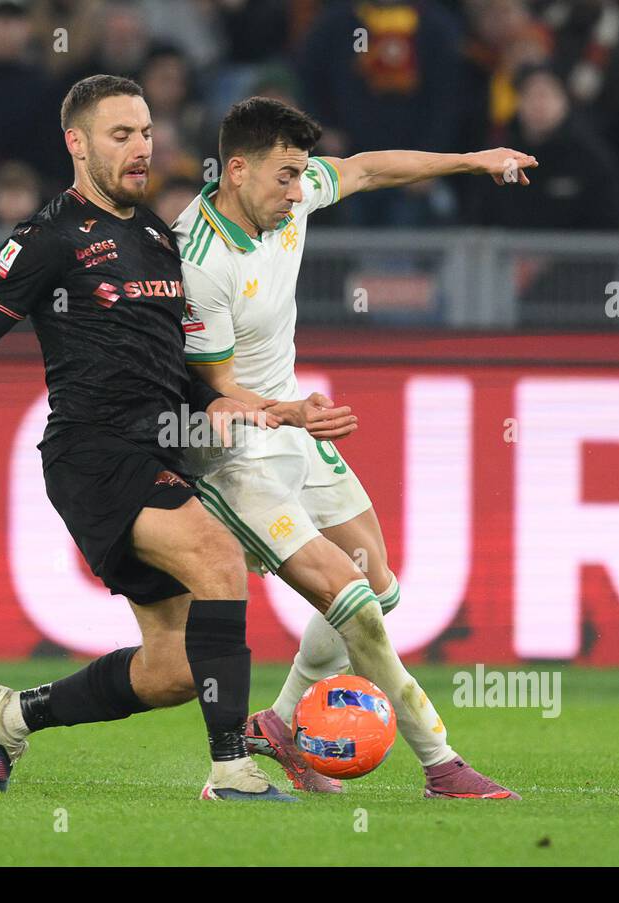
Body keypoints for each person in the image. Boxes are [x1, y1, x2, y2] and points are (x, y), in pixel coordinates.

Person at [0, 75, 296, 802]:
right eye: (120, 135)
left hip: (157, 451)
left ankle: (14, 715)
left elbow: (178, 368)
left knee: (175, 667)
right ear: (77, 143)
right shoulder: (49, 238)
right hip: (95, 456)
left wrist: (244, 403)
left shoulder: (157, 236)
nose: (141, 149)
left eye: (145, 132)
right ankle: (231, 768)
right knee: (220, 557)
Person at [172, 96, 536, 799]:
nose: (296, 191)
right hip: (234, 447)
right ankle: (442, 765)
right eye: (284, 177)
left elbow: (367, 169)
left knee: (380, 583)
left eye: (301, 175)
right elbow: (214, 390)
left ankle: (277, 727)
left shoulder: (290, 192)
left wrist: (473, 161)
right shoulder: (201, 261)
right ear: (237, 170)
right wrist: (292, 413)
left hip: (291, 420)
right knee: (355, 606)